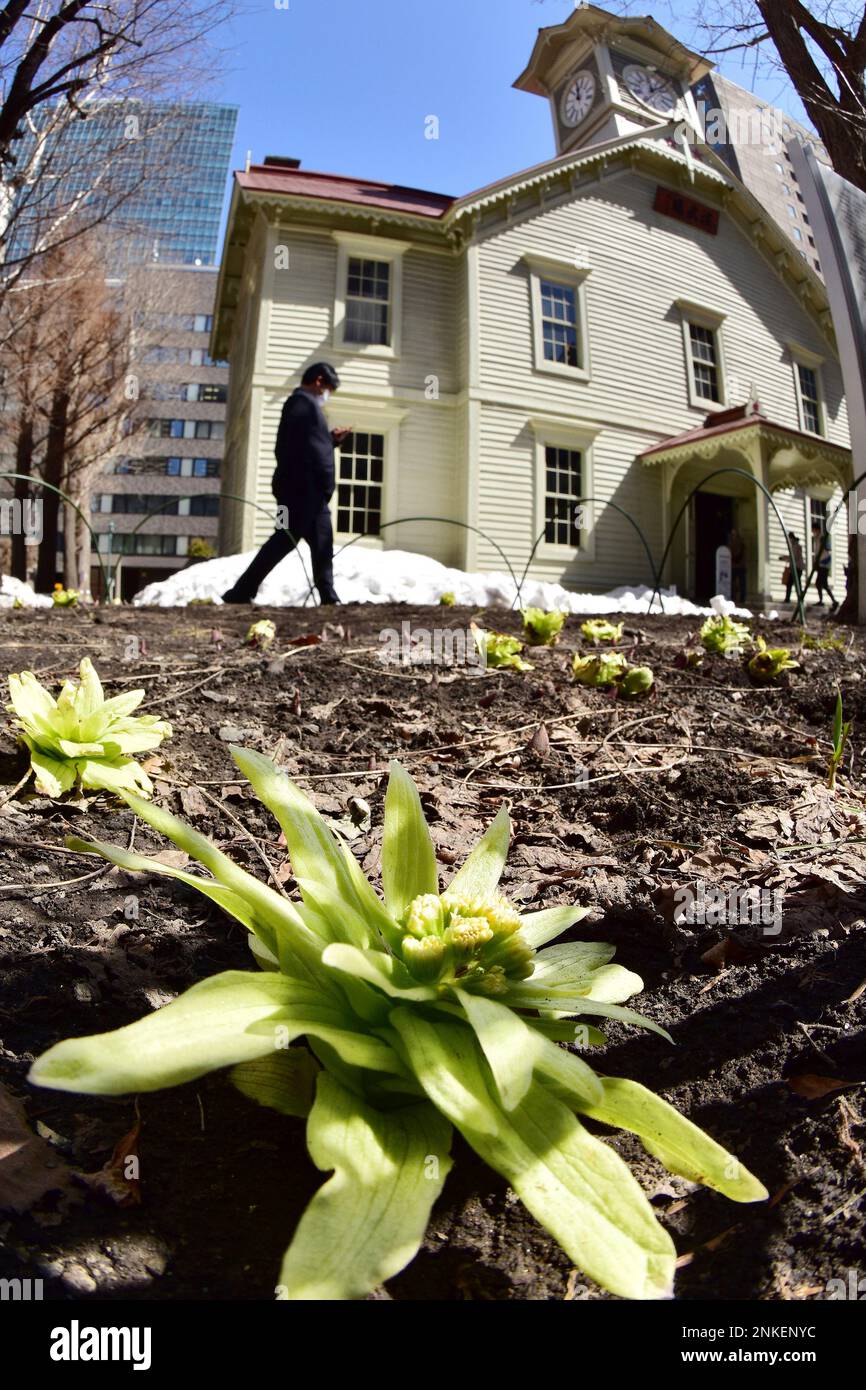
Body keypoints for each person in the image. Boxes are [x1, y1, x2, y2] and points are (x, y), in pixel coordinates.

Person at [222, 362, 351, 605]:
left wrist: (330, 440)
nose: (328, 396)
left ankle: (328, 595)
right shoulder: (301, 404)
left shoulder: (302, 407)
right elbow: (302, 451)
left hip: (307, 494)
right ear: (319, 381)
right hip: (301, 493)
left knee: (322, 542)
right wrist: (324, 484)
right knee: (282, 539)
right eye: (329, 389)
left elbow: (308, 445)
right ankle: (240, 591)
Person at [811, 523, 839, 613]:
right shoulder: (816, 539)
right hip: (820, 564)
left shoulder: (822, 538)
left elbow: (828, 550)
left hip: (824, 564)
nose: (813, 532)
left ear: (817, 529)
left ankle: (833, 601)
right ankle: (824, 601)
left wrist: (822, 561)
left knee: (823, 584)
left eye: (814, 530)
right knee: (819, 583)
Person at [779, 530, 804, 605]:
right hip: (793, 568)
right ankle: (788, 599)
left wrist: (786, 558)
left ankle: (800, 599)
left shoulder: (797, 546)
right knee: (790, 583)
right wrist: (784, 557)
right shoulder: (792, 546)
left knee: (796, 584)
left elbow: (794, 557)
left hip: (797, 568)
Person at [728, 528, 747, 605]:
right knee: (732, 583)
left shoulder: (742, 544)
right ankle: (733, 597)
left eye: (735, 534)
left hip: (741, 566)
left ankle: (742, 599)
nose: (733, 536)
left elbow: (744, 555)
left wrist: (741, 563)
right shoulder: (730, 544)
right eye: (732, 534)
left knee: (742, 583)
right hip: (733, 566)